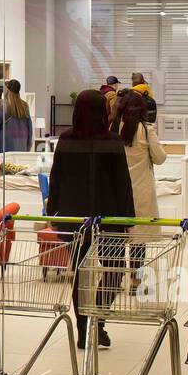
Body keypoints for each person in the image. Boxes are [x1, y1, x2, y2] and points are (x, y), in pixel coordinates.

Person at [45, 90, 135, 350]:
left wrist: (53, 213)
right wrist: (127, 218)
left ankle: (84, 329)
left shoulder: (65, 140)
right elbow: (122, 184)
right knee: (113, 270)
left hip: (73, 218)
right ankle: (98, 320)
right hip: (109, 217)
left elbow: (57, 177)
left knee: (80, 275)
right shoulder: (113, 141)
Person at [111, 90, 166, 219]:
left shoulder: (113, 128)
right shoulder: (146, 129)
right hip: (141, 188)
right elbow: (160, 158)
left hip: (117, 188)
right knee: (142, 229)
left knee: (119, 234)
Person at [0, 79, 33, 153]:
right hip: (22, 148)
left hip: (5, 149)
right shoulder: (25, 106)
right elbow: (29, 128)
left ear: (7, 90)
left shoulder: (2, 106)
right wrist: (28, 146)